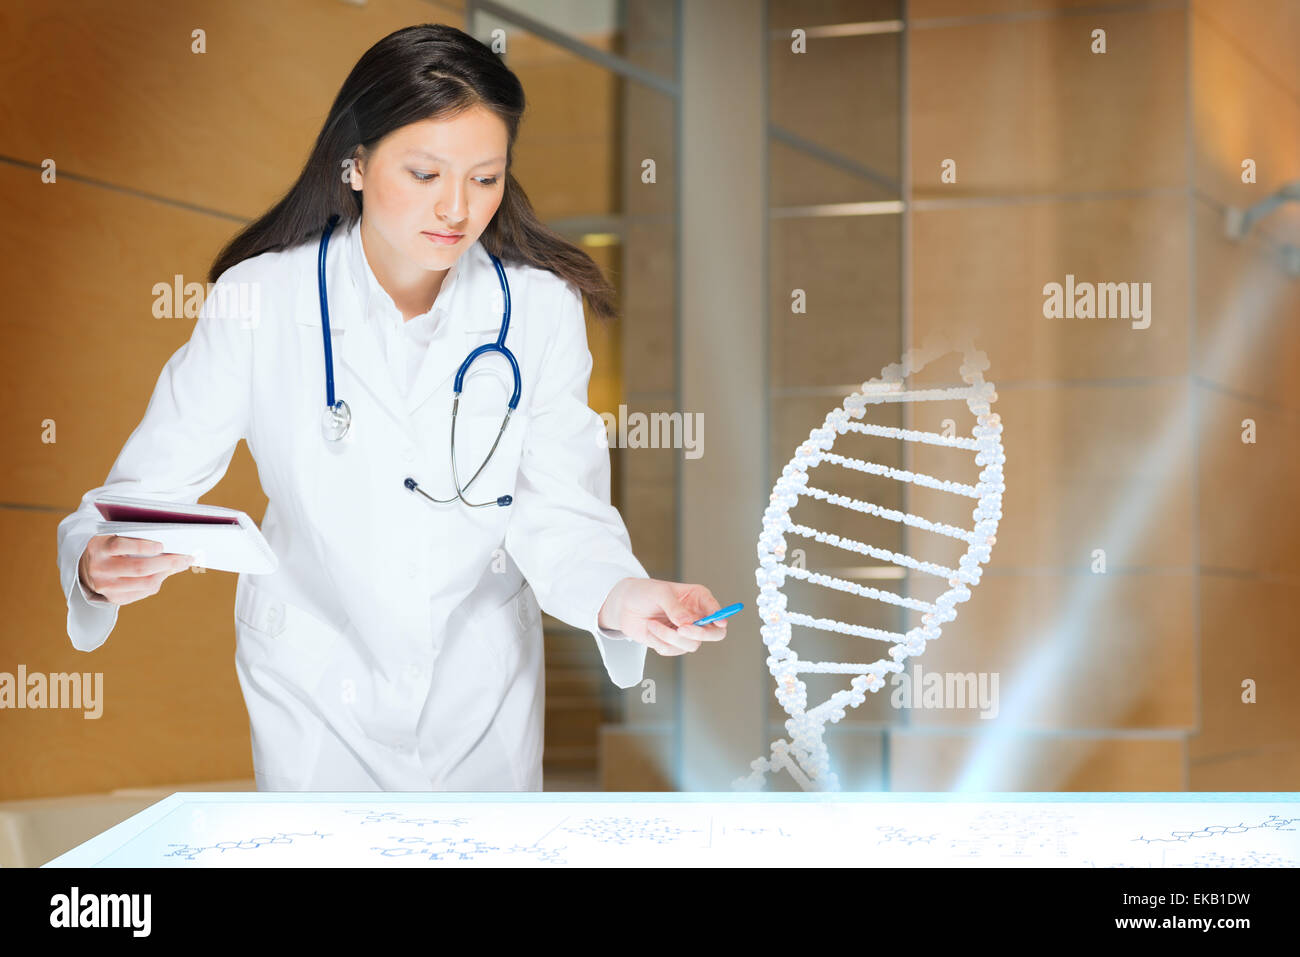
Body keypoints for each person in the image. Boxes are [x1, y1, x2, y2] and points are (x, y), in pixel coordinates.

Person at [55, 23, 727, 791]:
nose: (456, 208)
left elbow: (561, 514)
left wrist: (627, 596)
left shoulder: (540, 309)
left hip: (482, 691)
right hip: (313, 681)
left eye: (485, 178)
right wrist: (96, 560)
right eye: (424, 172)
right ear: (357, 162)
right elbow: (141, 491)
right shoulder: (262, 300)